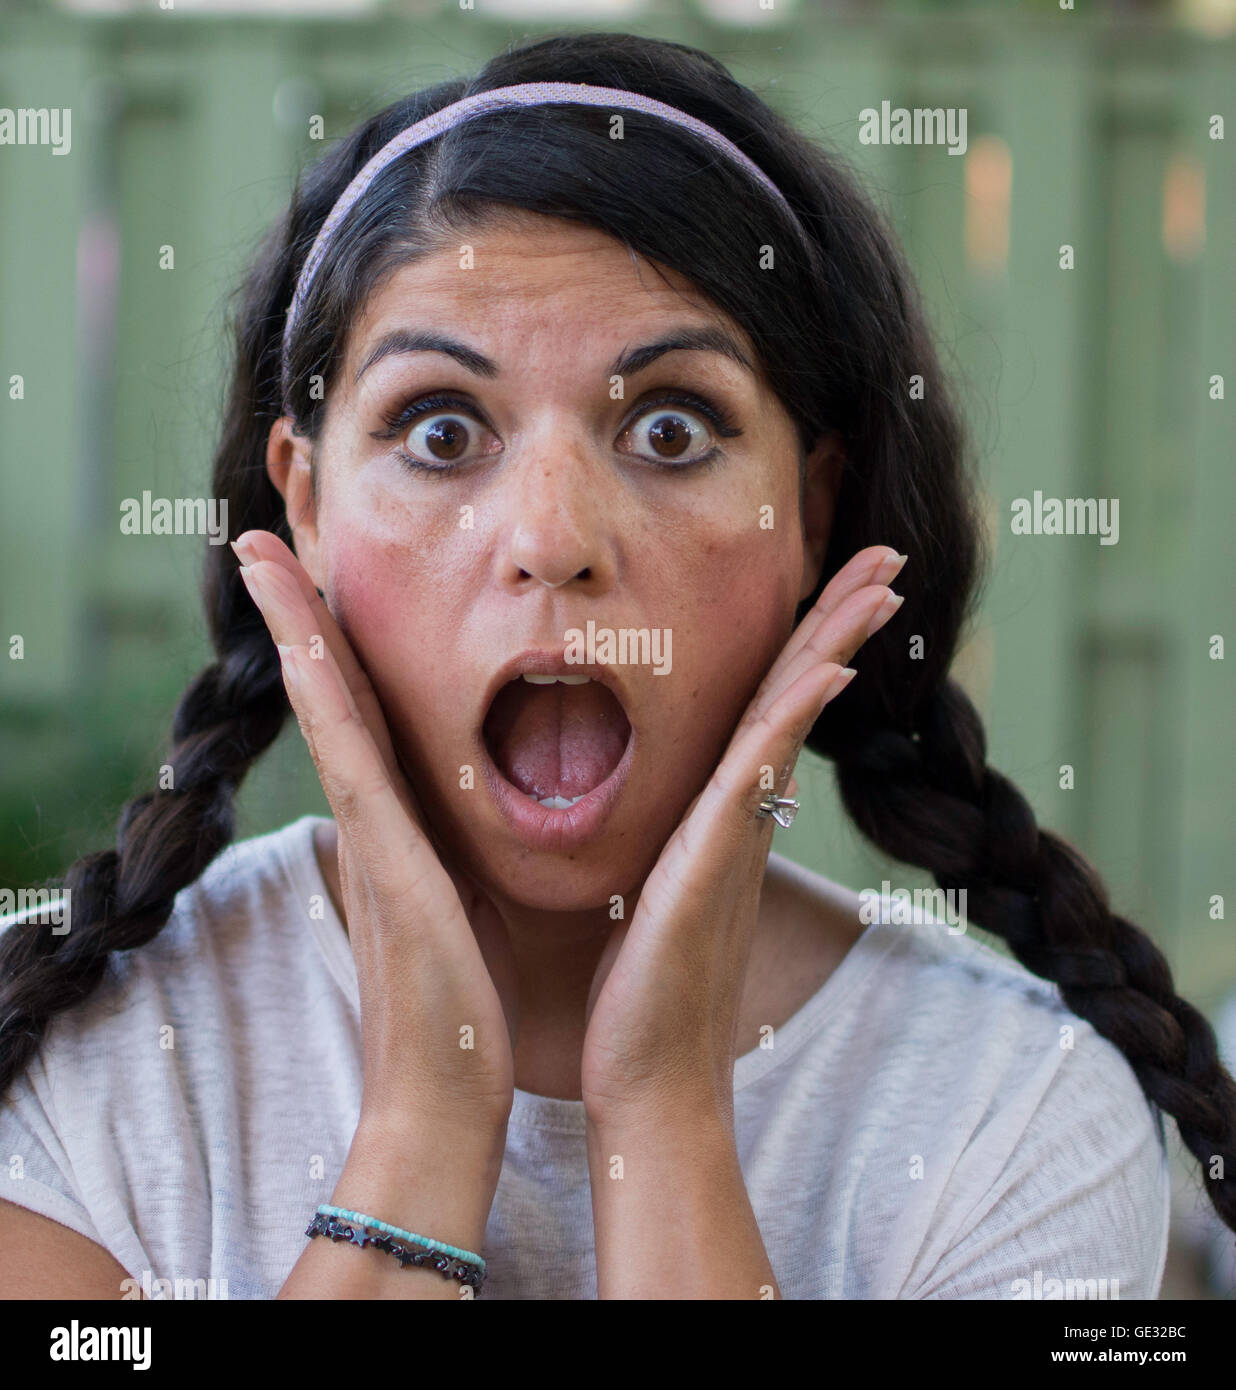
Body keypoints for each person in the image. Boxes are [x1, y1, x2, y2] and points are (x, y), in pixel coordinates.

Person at [1, 31, 1232, 1301]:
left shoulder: (1018, 1120)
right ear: (305, 511)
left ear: (811, 515)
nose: (550, 538)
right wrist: (426, 1121)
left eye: (668, 426)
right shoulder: (65, 1060)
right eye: (439, 429)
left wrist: (662, 1112)